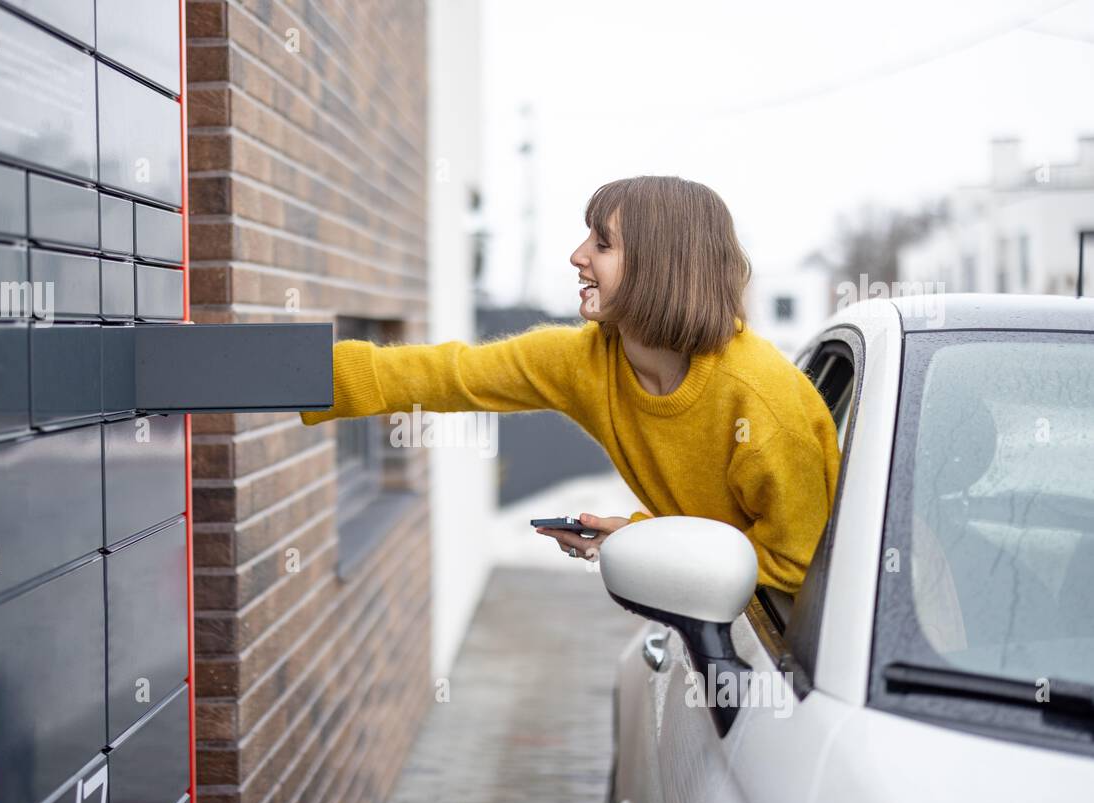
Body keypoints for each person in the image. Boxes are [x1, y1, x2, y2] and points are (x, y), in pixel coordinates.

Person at [299, 175, 840, 594]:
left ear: (660, 268)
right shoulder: (587, 359)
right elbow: (451, 374)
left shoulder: (761, 403)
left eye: (601, 244)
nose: (577, 256)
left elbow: (797, 564)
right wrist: (298, 374)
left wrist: (644, 545)